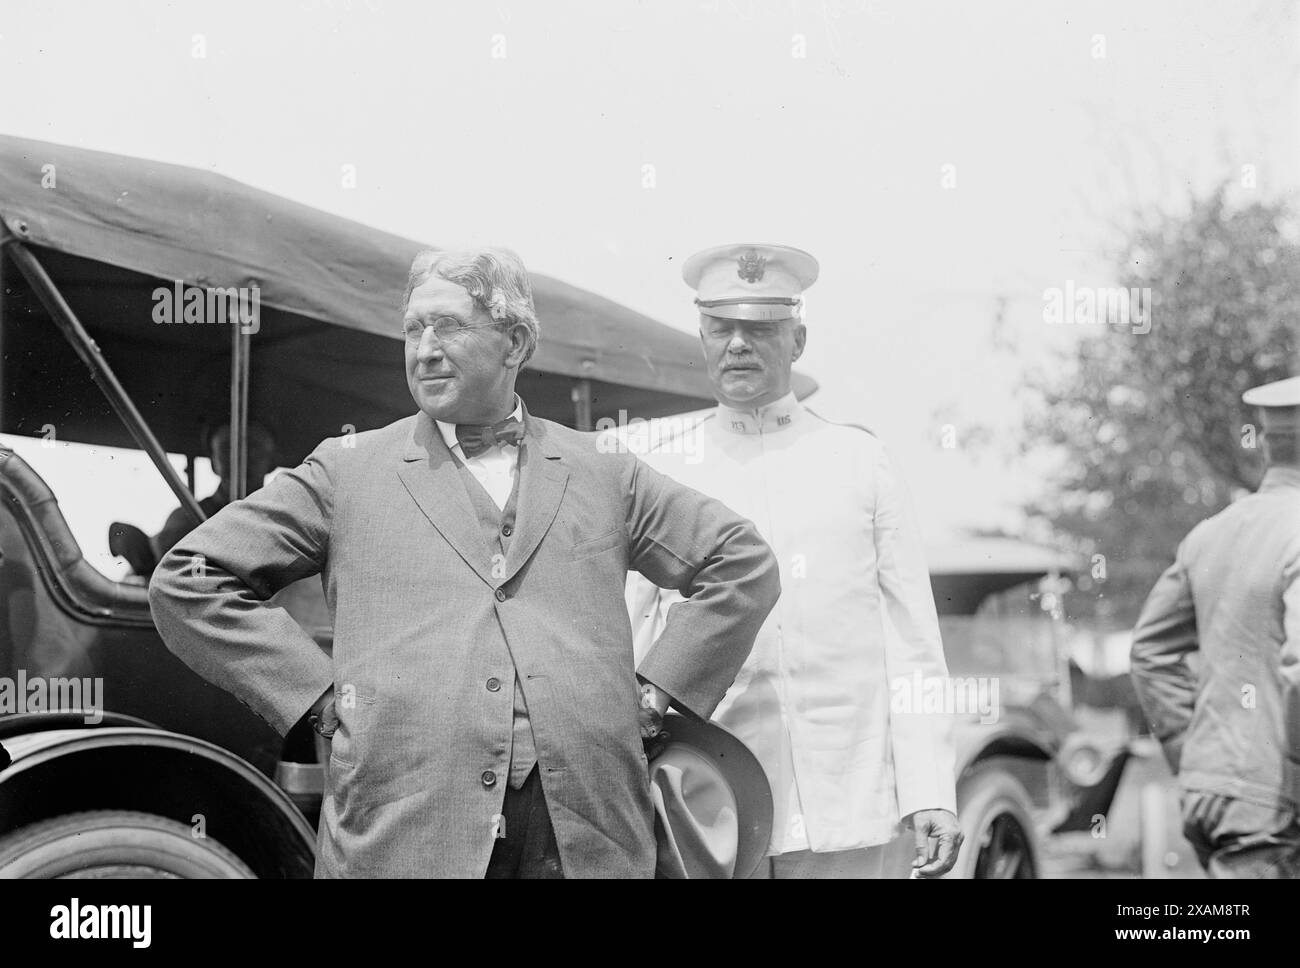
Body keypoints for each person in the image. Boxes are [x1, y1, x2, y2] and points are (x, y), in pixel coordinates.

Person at [148, 246, 780, 879]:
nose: (424, 349)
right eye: (412, 329)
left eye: (447, 325)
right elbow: (190, 580)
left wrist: (657, 691)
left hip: (585, 832)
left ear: (516, 342)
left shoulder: (604, 472)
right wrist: (315, 695)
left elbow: (741, 562)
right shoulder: (347, 471)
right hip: (405, 827)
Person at [623, 243, 961, 878]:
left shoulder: (859, 462)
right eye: (722, 328)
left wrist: (930, 791)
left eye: (760, 329)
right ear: (702, 337)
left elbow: (913, 645)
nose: (739, 345)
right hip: (709, 801)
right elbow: (631, 632)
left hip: (850, 807)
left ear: (798, 339)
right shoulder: (664, 466)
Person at [1131, 374, 1300, 878]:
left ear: (1268, 444)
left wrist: (1195, 754)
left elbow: (1148, 654)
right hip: (1274, 808)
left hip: (1217, 798)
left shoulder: (1210, 534)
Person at [151, 422, 278, 559]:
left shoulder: (285, 519)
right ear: (213, 462)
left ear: (272, 461)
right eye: (227, 448)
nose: (240, 457)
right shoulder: (186, 519)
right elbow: (193, 573)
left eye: (253, 447)